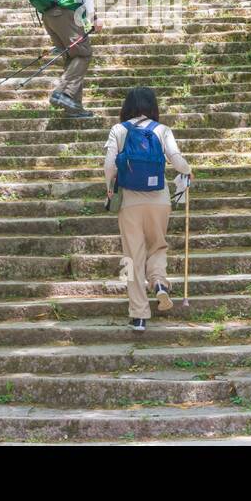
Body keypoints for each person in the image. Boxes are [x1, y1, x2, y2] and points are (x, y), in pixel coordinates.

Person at [104, 86, 193, 331]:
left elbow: (110, 164)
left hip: (130, 201)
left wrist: (109, 188)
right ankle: (160, 284)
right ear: (153, 106)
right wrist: (187, 171)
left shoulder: (119, 130)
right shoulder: (162, 130)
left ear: (127, 107)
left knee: (132, 258)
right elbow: (176, 159)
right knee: (158, 245)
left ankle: (139, 315)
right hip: (159, 199)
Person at [43, 0, 103, 119]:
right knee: (84, 54)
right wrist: (94, 17)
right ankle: (61, 93)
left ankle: (74, 106)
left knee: (72, 57)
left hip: (49, 13)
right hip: (66, 12)